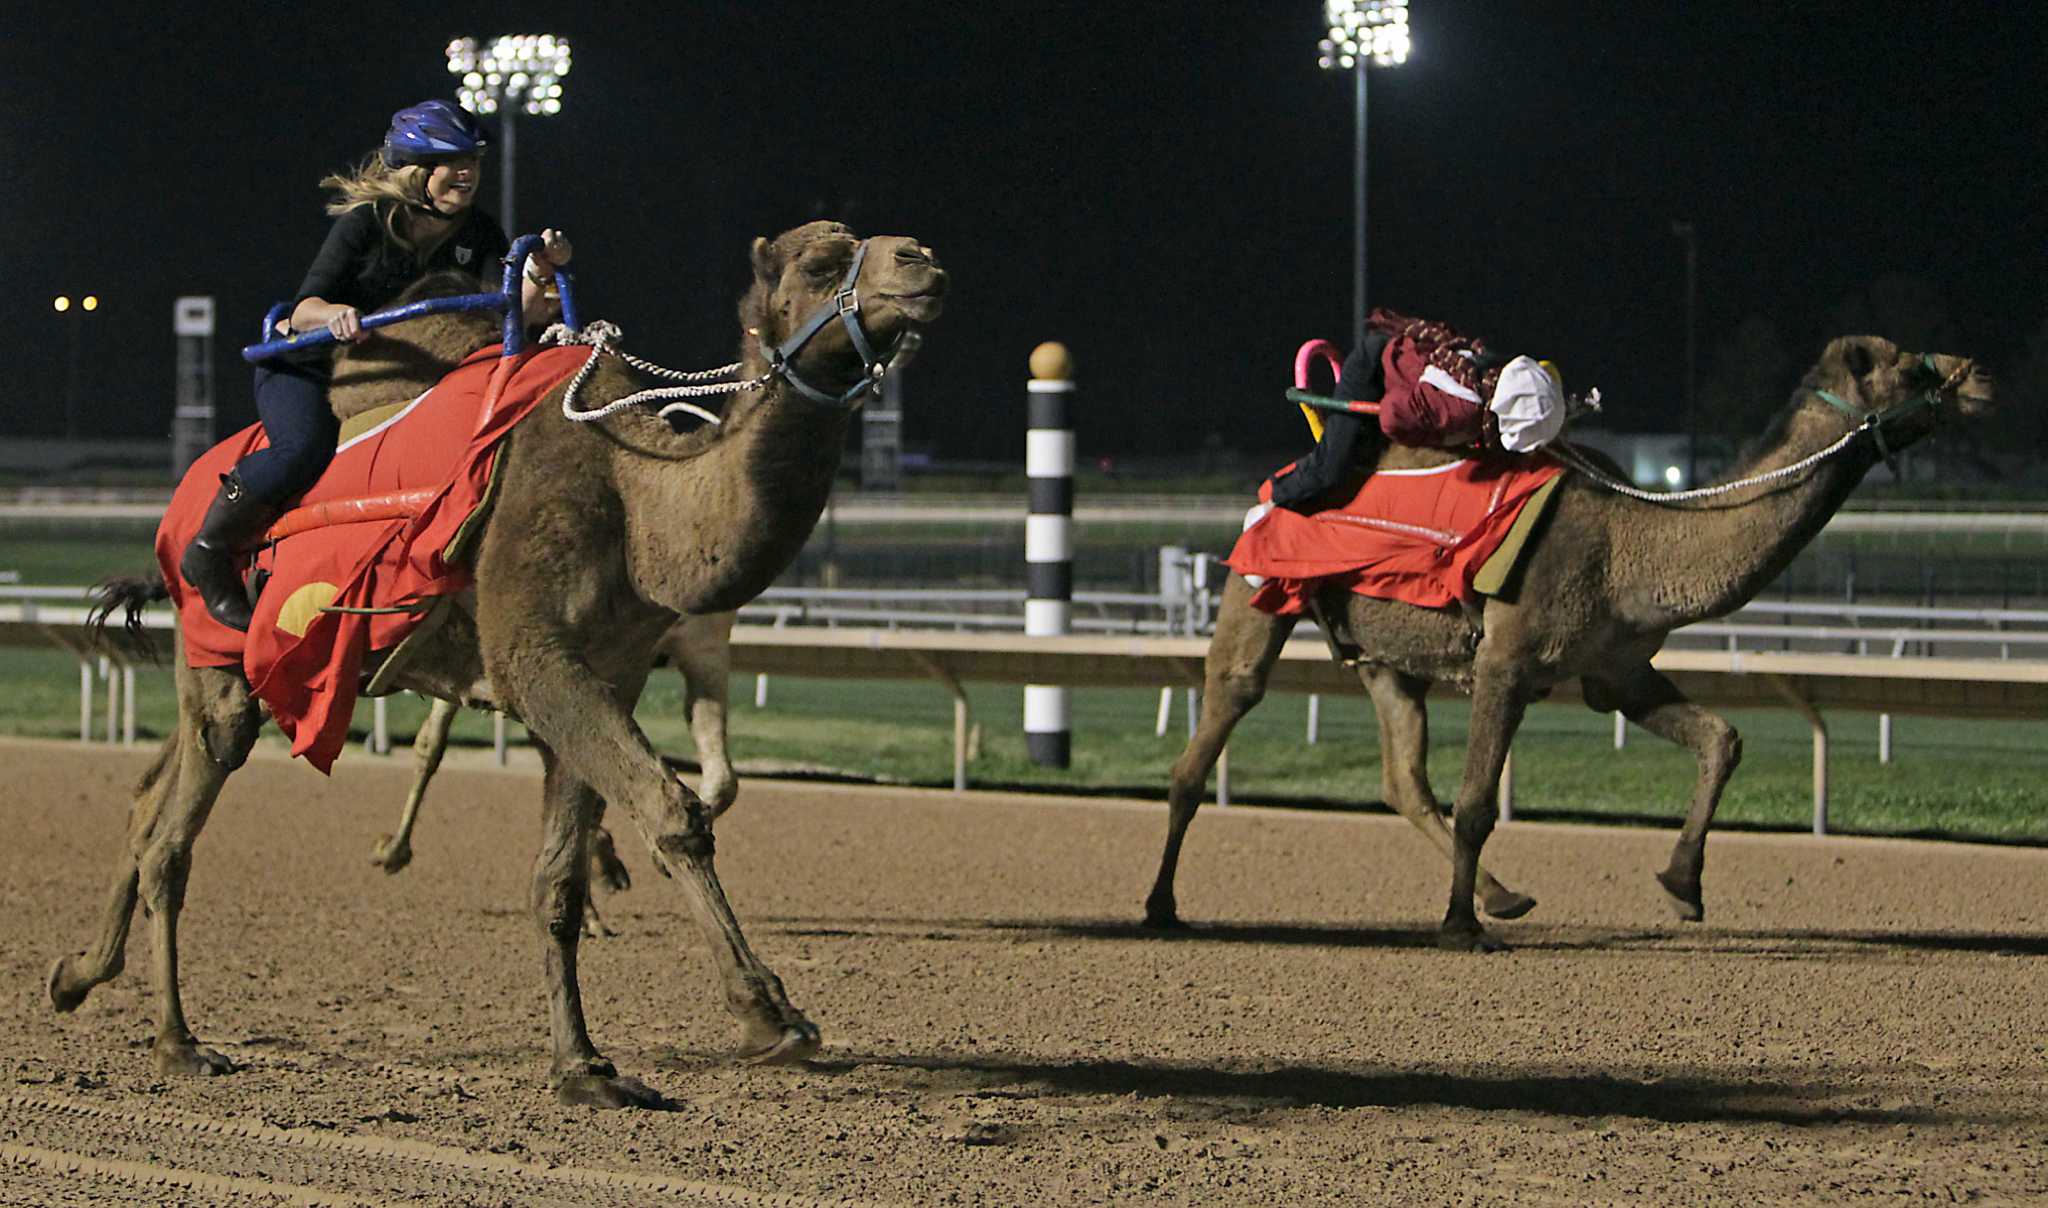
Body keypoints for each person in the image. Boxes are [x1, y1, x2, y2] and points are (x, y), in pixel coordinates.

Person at [180, 100, 573, 630]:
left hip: (399, 374)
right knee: (304, 449)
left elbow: (512, 311)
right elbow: (303, 309)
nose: (467, 173)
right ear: (417, 171)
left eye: (473, 162)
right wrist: (337, 314)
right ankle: (209, 547)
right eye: (453, 162)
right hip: (313, 367)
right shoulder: (366, 224)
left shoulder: (480, 232)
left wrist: (544, 270)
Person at [1269, 309, 1564, 513]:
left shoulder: (1497, 376)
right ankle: (1273, 500)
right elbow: (1392, 416)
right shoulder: (1460, 410)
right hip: (1372, 371)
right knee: (1331, 472)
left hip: (1408, 358)